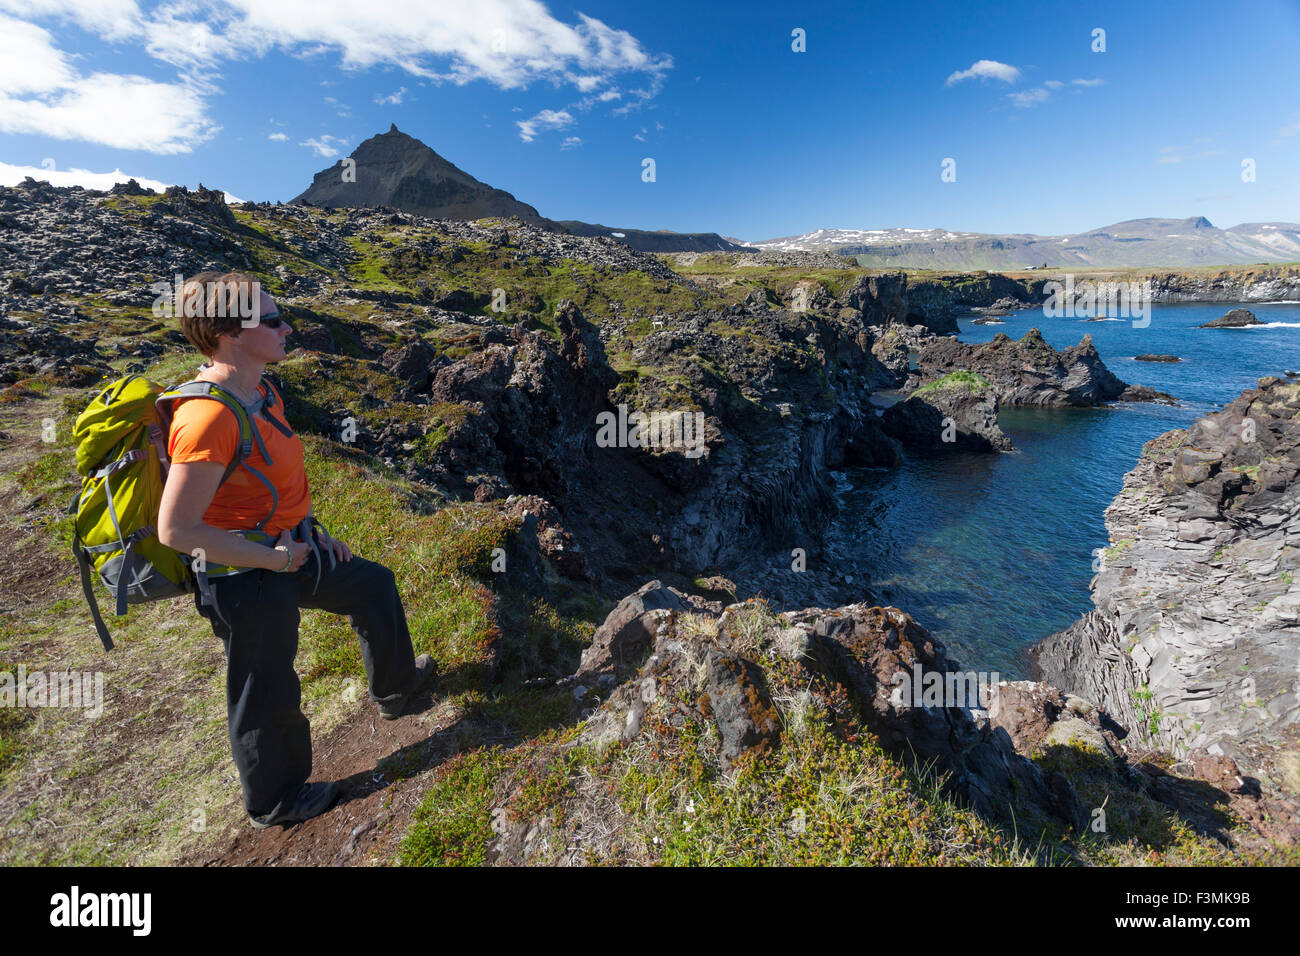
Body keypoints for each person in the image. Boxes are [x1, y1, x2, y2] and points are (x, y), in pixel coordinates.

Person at [157, 271, 435, 829]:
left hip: (289, 549)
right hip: (244, 575)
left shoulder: (261, 390)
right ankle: (275, 801)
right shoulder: (208, 417)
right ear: (229, 334)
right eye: (272, 318)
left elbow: (269, 476)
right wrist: (274, 560)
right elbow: (177, 530)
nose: (288, 327)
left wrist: (307, 530)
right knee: (265, 681)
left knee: (372, 585)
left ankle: (397, 689)